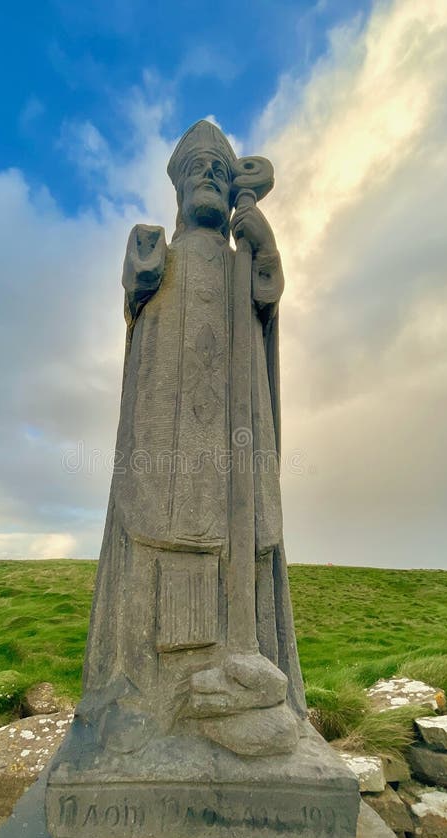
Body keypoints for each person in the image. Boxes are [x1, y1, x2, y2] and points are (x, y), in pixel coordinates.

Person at [81, 120, 307, 756]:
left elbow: (266, 306)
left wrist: (264, 249)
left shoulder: (242, 266)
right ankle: (141, 693)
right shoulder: (158, 248)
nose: (206, 175)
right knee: (157, 538)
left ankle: (237, 676)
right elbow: (138, 292)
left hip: (235, 452)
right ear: (177, 184)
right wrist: (142, 276)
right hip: (166, 447)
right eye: (195, 167)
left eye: (218, 167)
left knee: (243, 543)